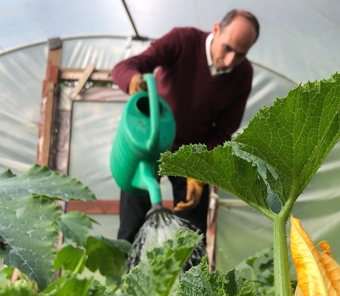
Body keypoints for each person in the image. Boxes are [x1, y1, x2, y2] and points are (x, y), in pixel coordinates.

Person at [111, 9, 260, 243]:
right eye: (227, 48)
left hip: (191, 154)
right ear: (216, 30)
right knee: (130, 227)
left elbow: (223, 130)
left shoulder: (243, 74)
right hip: (152, 142)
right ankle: (124, 276)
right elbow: (126, 66)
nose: (230, 60)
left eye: (240, 54)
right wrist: (134, 81)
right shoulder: (183, 41)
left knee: (193, 235)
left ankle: (190, 279)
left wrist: (198, 171)